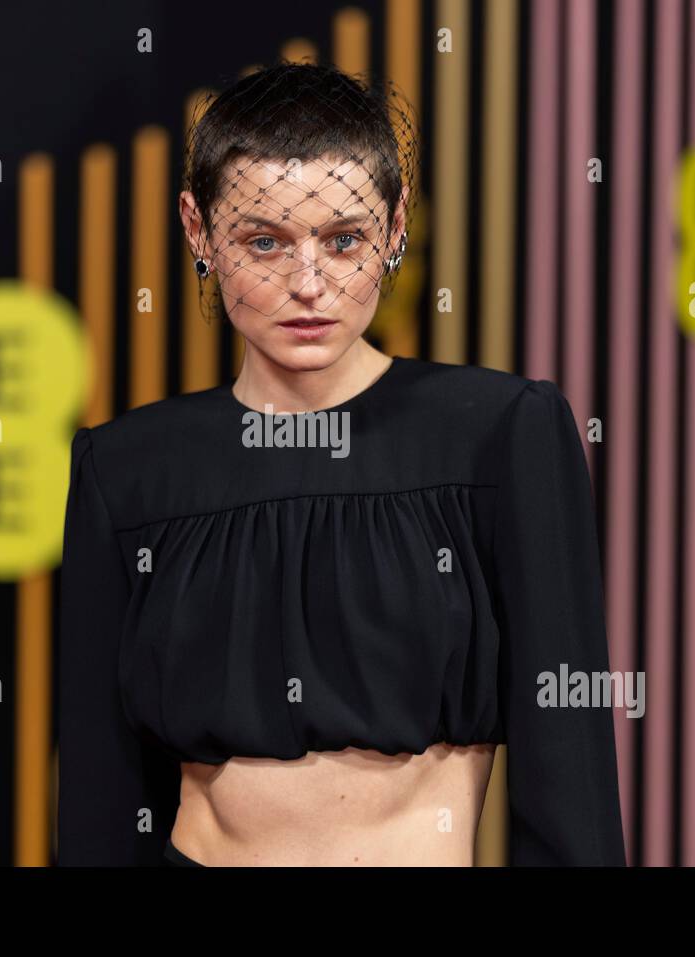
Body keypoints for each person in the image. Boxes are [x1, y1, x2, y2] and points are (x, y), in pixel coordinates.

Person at [58, 60, 625, 867]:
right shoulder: (129, 469)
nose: (309, 284)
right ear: (197, 231)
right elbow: (97, 793)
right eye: (266, 241)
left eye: (344, 239)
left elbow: (571, 781)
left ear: (395, 230)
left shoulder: (497, 434)